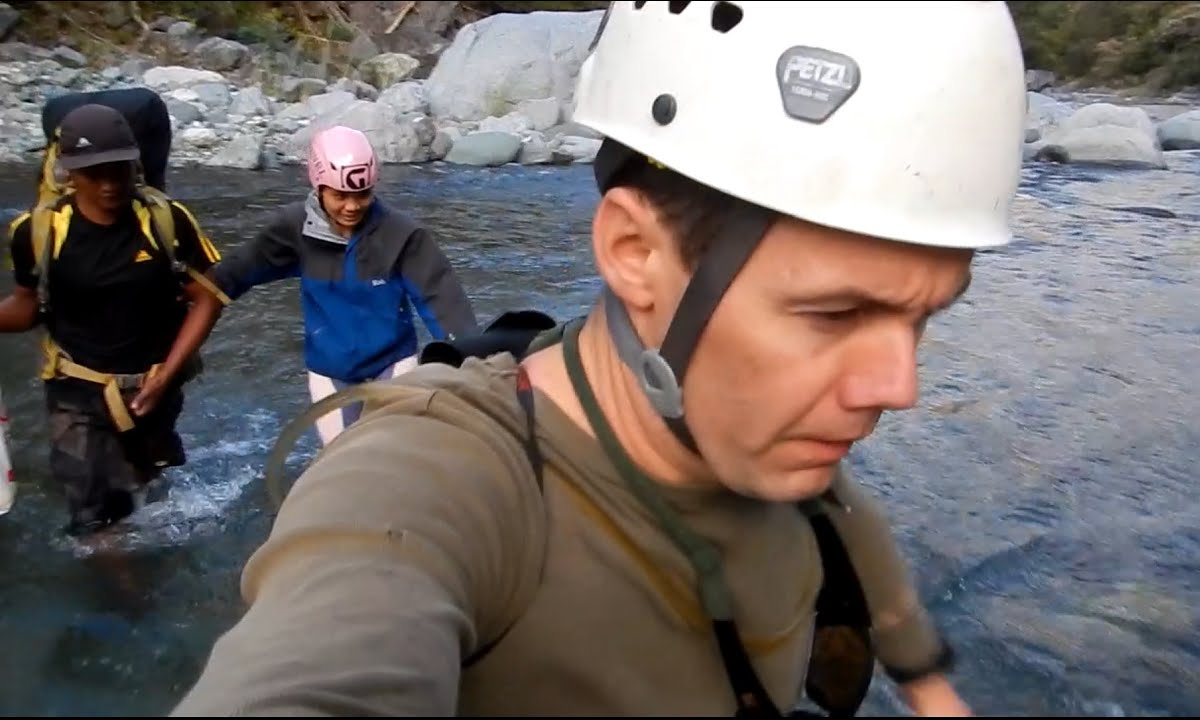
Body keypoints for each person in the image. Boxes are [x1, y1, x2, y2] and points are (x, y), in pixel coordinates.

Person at [171, 1, 1027, 716]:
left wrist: (925, 679)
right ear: (634, 253)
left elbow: (862, 552)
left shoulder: (800, 476)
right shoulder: (437, 480)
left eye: (924, 317)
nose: (899, 387)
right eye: (834, 314)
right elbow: (334, 638)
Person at [0, 102, 227, 537]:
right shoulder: (38, 232)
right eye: (94, 173)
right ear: (69, 171)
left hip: (153, 385)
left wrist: (167, 375)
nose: (108, 184)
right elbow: (26, 307)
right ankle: (120, 578)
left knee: (143, 496)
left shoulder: (165, 221)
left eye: (118, 170)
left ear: (134, 165)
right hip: (76, 389)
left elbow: (208, 298)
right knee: (92, 519)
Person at [207, 124, 479, 446]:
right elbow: (238, 271)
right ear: (319, 187)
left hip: (392, 364)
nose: (352, 206)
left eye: (362, 194)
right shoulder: (293, 230)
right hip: (330, 371)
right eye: (340, 195)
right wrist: (198, 291)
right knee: (340, 456)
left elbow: (442, 300)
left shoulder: (402, 234)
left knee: (393, 452)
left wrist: (471, 364)